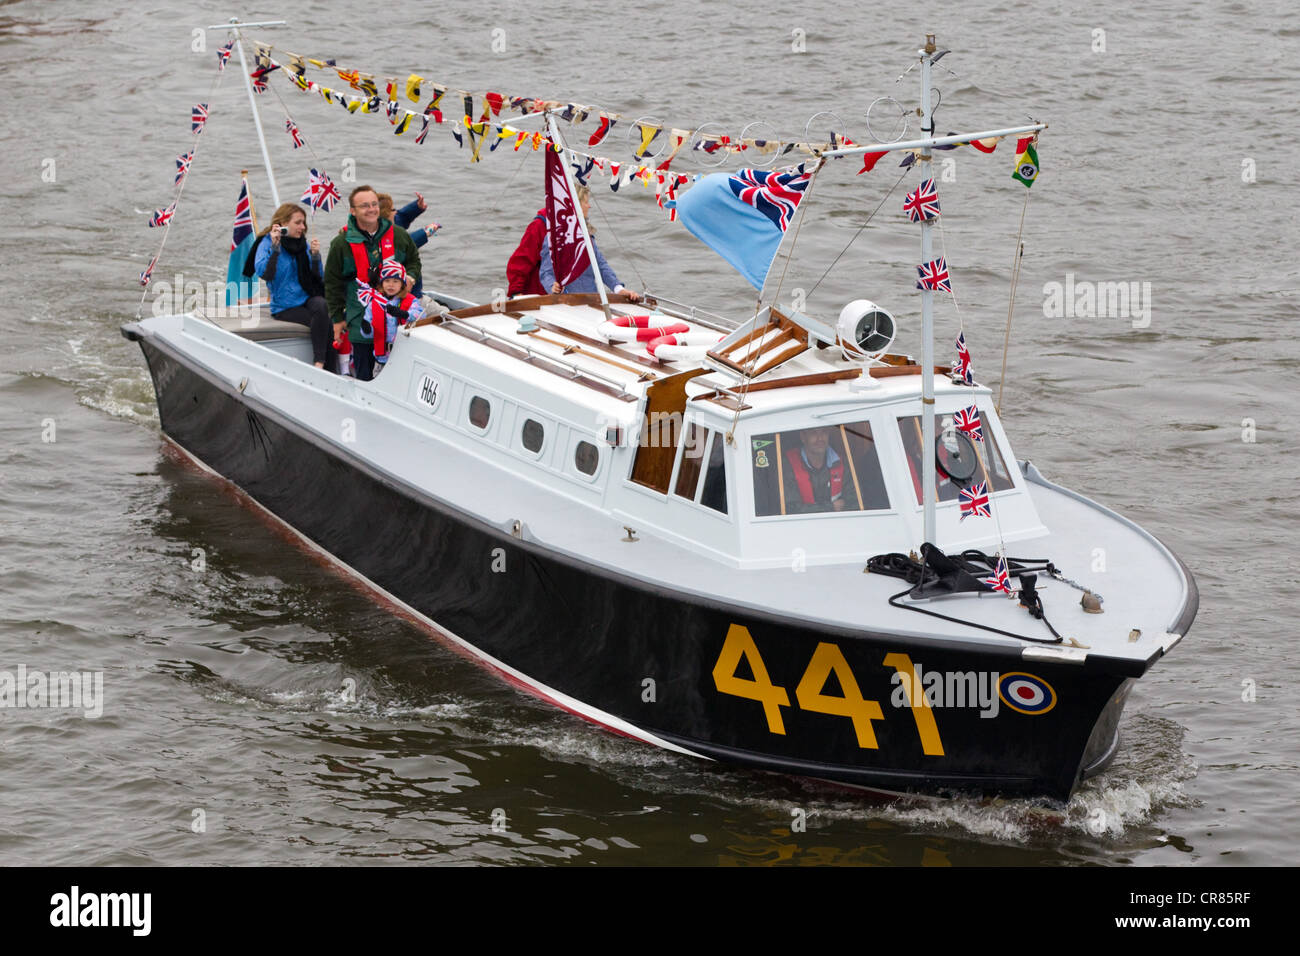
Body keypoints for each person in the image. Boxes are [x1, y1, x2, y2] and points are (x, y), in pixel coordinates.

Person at [324, 185, 421, 382]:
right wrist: (336, 319)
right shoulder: (340, 244)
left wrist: (410, 277)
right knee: (365, 376)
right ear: (353, 211)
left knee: (401, 374)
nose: (371, 209)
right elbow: (332, 284)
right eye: (364, 206)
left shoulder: (398, 235)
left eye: (374, 204)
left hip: (397, 318)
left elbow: (414, 260)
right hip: (362, 320)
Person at [253, 203, 332, 370]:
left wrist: (316, 256)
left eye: (304, 223)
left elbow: (318, 278)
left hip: (305, 298)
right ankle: (325, 367)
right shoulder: (266, 243)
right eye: (298, 222)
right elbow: (265, 274)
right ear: (282, 224)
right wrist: (275, 248)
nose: (303, 227)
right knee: (323, 322)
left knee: (321, 305)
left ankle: (321, 363)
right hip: (284, 306)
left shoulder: (304, 245)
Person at [538, 186, 641, 302]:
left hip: (592, 300)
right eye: (586, 202)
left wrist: (619, 289)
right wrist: (553, 286)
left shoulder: (587, 236)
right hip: (566, 302)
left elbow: (601, 266)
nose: (589, 206)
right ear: (576, 205)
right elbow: (546, 272)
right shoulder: (554, 239)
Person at [373, 259, 424, 370]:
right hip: (382, 358)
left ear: (402, 284)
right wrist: (366, 327)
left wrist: (404, 314)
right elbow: (368, 328)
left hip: (403, 354)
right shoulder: (376, 301)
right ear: (382, 283)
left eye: (396, 281)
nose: (391, 285)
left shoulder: (411, 300)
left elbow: (420, 315)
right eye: (387, 281)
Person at [783, 426, 846, 514]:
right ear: (803, 437)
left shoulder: (842, 462)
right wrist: (830, 507)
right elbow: (790, 508)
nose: (820, 438)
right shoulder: (787, 464)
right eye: (813, 433)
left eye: (824, 432)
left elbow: (855, 502)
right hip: (802, 525)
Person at [506, 207, 547, 297]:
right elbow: (520, 261)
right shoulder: (539, 226)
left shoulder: (580, 228)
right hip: (538, 296)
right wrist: (516, 292)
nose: (586, 206)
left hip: (569, 295)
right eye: (585, 202)